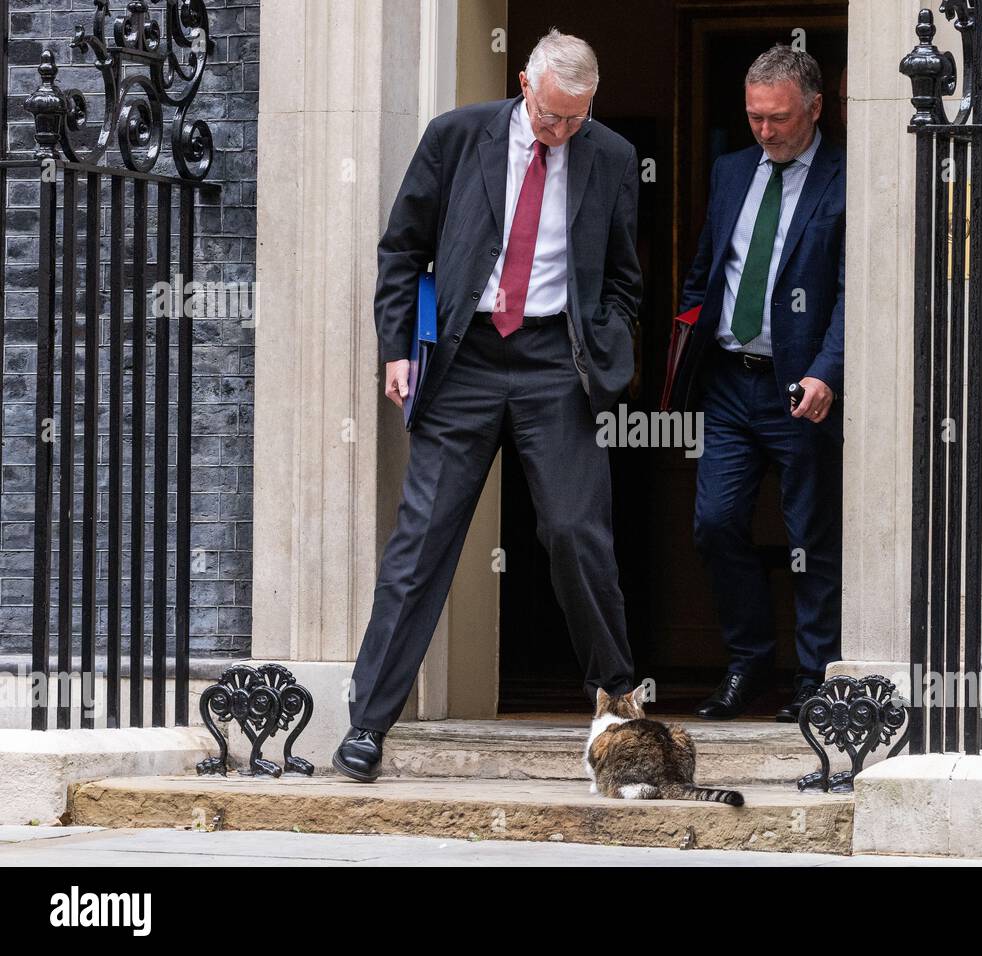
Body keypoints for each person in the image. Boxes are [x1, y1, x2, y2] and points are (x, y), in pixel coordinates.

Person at [332, 29, 642, 782]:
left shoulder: (611, 157)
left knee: (576, 531)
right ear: (526, 85)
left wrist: (609, 352)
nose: (560, 131)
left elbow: (626, 277)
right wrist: (398, 347)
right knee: (423, 541)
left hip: (553, 361)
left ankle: (620, 697)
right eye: (550, 116)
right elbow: (402, 248)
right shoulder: (457, 136)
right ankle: (369, 723)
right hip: (465, 359)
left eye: (576, 118)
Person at [672, 44, 845, 721]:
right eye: (754, 118)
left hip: (799, 388)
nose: (766, 132)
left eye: (779, 119)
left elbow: (850, 291)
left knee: (811, 536)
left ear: (814, 109)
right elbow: (706, 269)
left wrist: (826, 373)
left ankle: (813, 678)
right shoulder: (731, 171)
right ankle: (748, 667)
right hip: (728, 385)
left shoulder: (845, 176)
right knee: (714, 524)